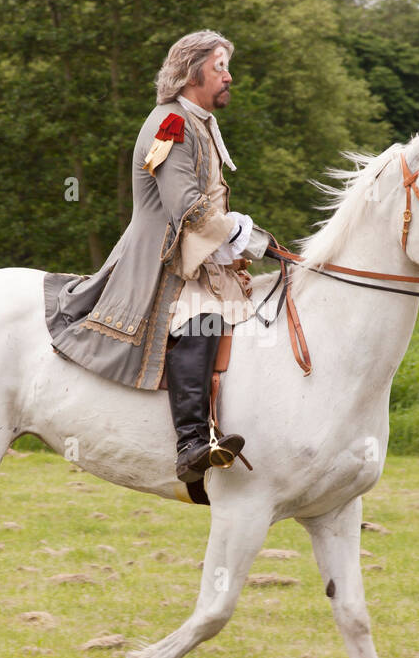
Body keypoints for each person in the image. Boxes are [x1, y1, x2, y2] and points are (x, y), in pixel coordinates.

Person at [42, 30, 272, 482]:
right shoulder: (171, 123)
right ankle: (190, 444)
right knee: (202, 316)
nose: (229, 76)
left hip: (197, 251)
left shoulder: (199, 120)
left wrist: (247, 240)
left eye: (227, 66)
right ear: (191, 73)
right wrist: (245, 235)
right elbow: (185, 205)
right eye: (220, 67)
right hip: (162, 258)